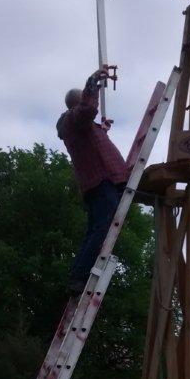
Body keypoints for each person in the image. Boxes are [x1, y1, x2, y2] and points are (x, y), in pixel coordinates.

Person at [56, 67, 129, 295]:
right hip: (102, 181)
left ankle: (78, 274)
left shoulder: (79, 125)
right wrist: (94, 81)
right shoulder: (73, 119)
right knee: (102, 228)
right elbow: (87, 109)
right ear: (77, 104)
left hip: (102, 181)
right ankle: (79, 276)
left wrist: (102, 129)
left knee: (96, 229)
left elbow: (92, 143)